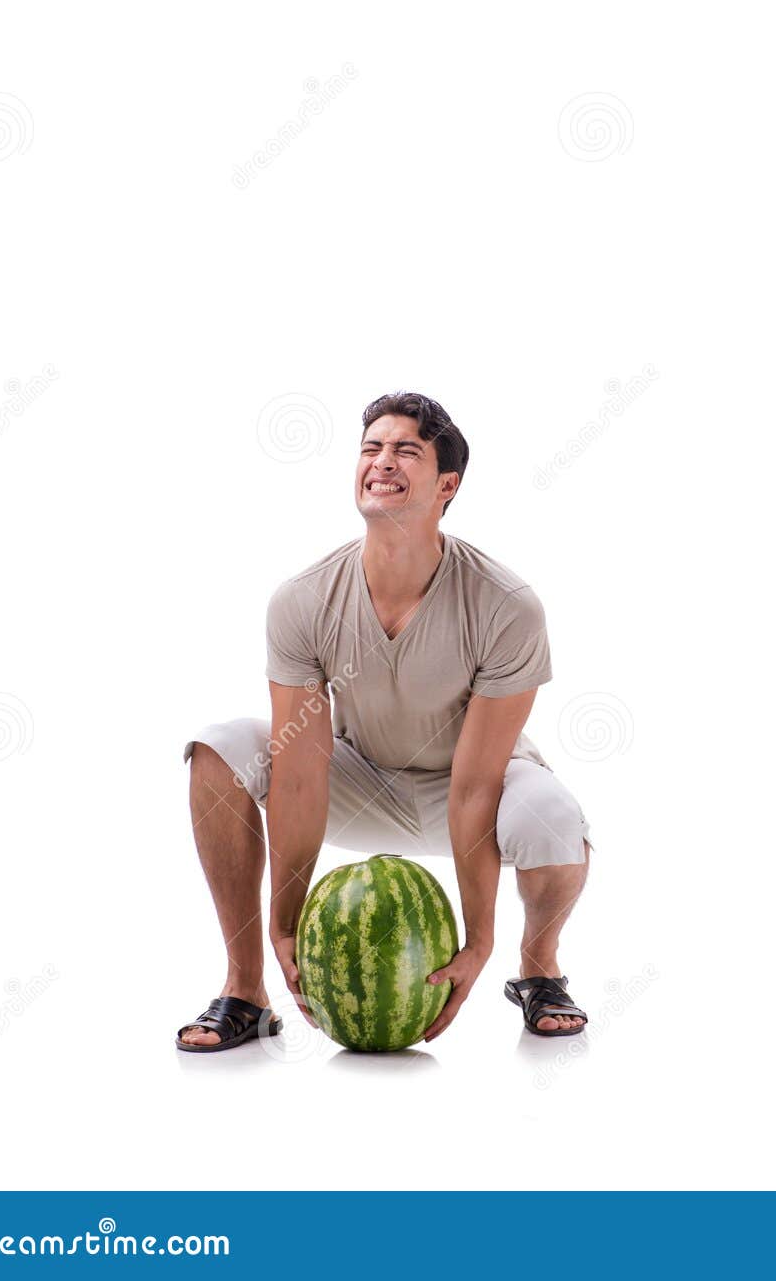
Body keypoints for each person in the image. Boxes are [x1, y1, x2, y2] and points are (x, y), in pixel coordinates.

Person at [175, 391, 592, 1052]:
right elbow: (301, 772)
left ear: (447, 485)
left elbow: (475, 786)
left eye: (406, 451)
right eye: (371, 448)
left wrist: (478, 941)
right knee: (219, 749)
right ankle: (246, 990)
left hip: (474, 787)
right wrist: (285, 928)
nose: (382, 461)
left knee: (555, 819)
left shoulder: (506, 605)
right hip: (360, 777)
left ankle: (538, 968)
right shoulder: (303, 599)